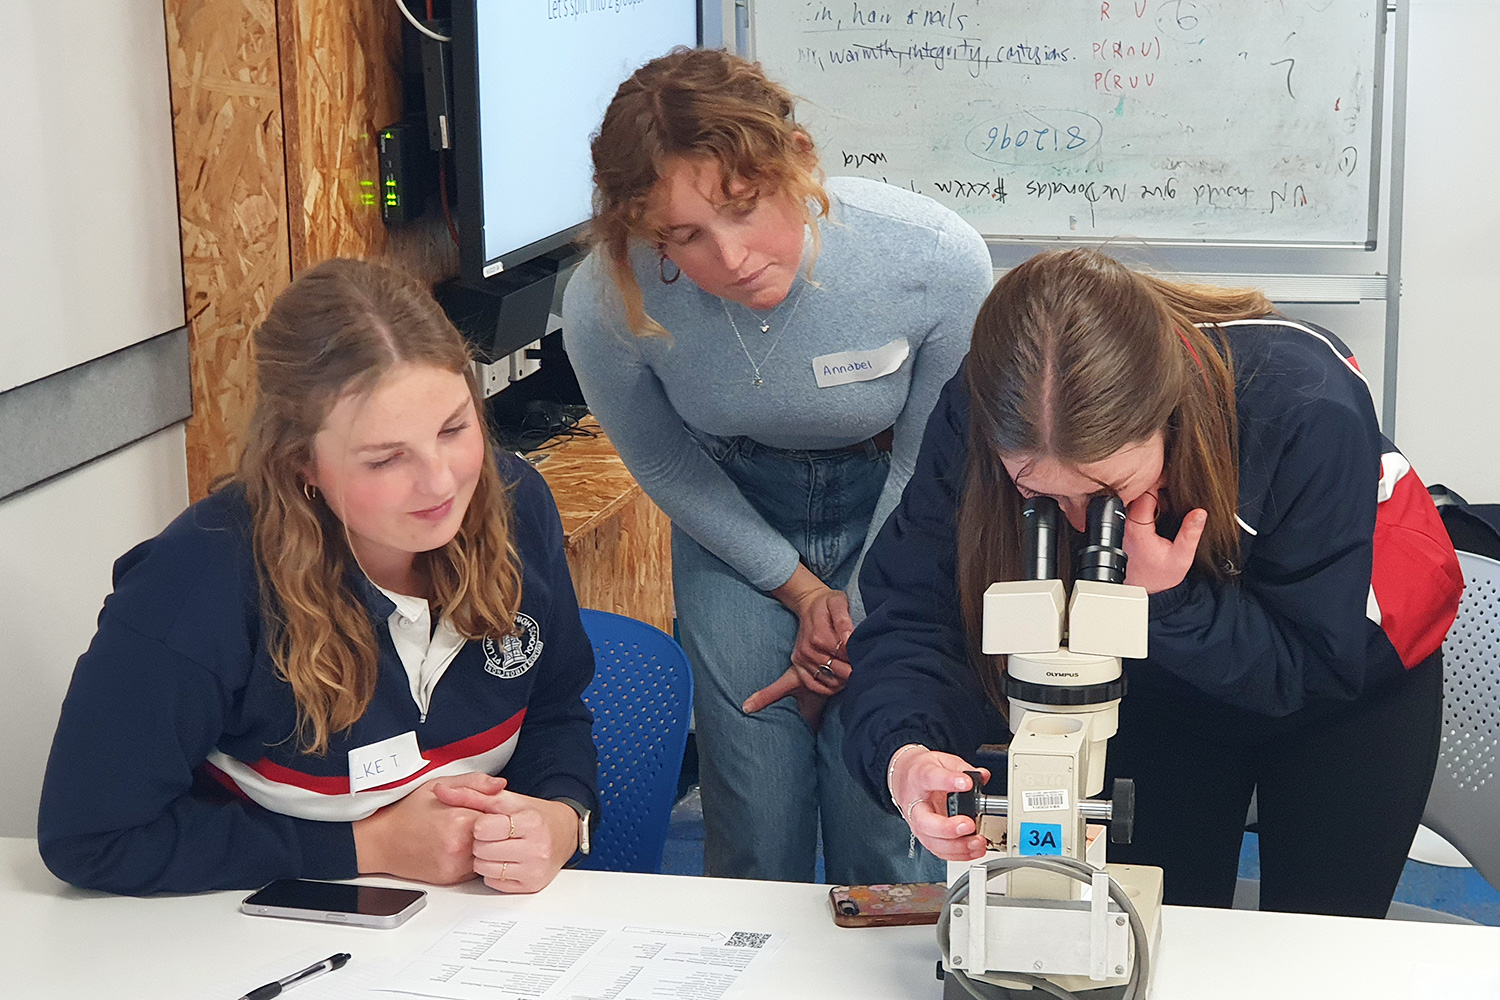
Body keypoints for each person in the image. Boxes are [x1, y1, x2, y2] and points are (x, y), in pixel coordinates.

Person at [844, 248, 1463, 916]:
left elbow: (1311, 658)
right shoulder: (985, 403)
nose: (1080, 522)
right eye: (1039, 495)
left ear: (1165, 415)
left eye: (1108, 492)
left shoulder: (1301, 399)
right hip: (1159, 687)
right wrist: (905, 753)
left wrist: (1169, 603)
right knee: (1146, 927)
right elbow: (917, 614)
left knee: (1320, 944)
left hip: (1338, 696)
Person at [561, 48, 993, 884]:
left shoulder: (935, 257)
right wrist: (799, 591)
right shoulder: (604, 300)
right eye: (682, 236)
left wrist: (858, 609)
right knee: (755, 802)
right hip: (733, 513)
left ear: (797, 161)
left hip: (900, 508)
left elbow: (933, 458)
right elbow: (663, 462)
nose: (729, 258)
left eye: (744, 207)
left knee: (888, 805)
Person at [38, 259, 598, 896]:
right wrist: (367, 846)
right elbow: (91, 838)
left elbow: (554, 709)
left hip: (473, 932)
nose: (441, 483)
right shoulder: (198, 584)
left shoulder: (518, 505)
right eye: (386, 458)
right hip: (261, 936)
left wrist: (559, 814)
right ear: (303, 461)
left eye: (454, 429)